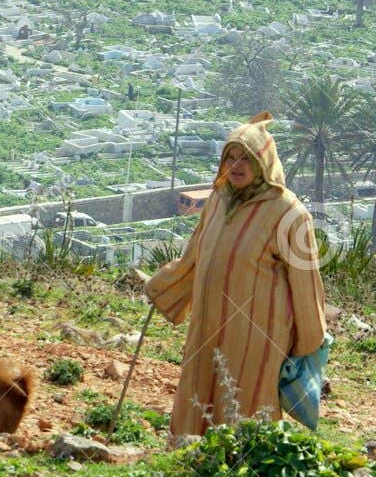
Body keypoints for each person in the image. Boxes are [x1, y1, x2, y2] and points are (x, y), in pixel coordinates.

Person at [140, 112, 327, 438]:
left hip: (257, 335)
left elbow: (306, 285)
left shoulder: (290, 214)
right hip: (207, 326)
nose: (236, 165)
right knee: (200, 388)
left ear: (264, 163)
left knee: (246, 396)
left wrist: (306, 344)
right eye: (230, 156)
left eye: (246, 158)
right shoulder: (218, 199)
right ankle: (193, 456)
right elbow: (194, 257)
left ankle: (243, 465)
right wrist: (163, 287)